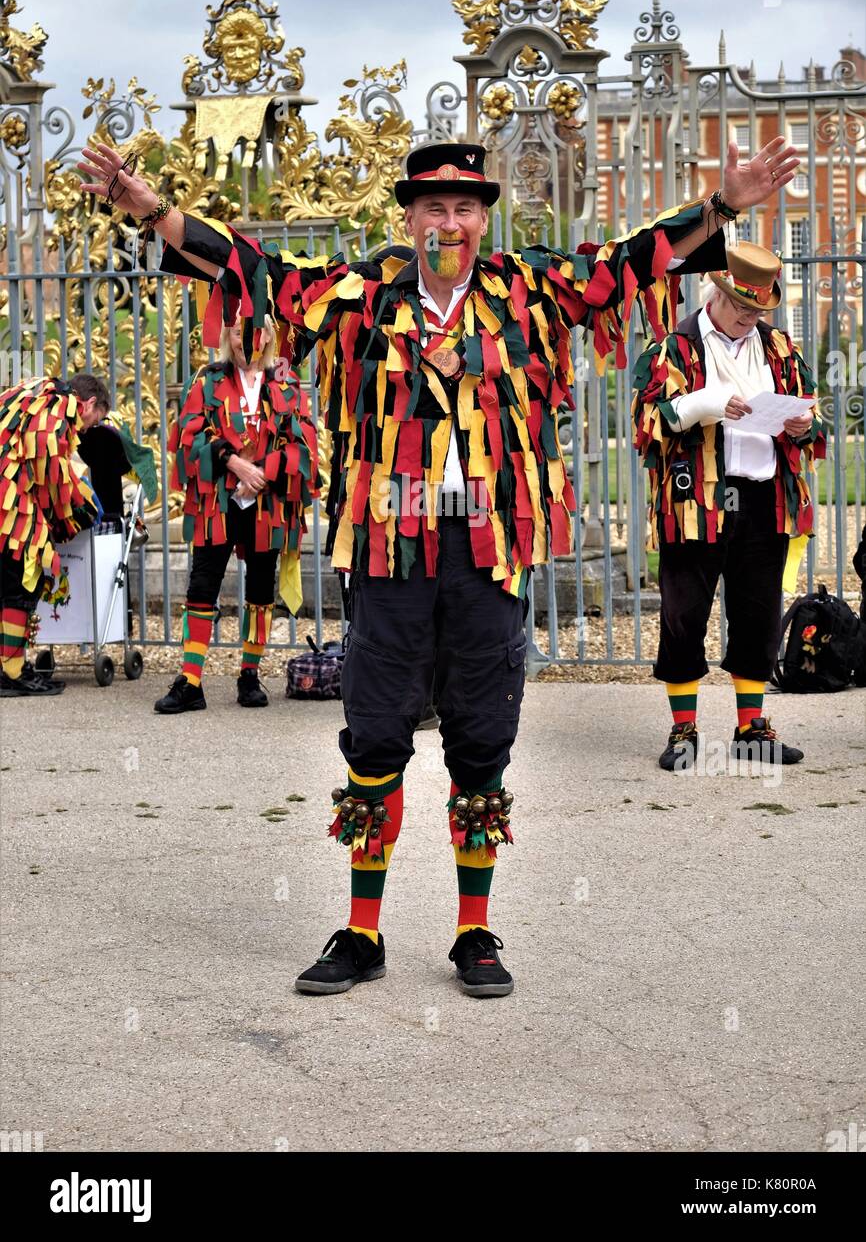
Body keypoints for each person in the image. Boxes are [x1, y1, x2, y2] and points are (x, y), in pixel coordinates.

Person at [79, 132, 799, 996]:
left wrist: (723, 205)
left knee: (482, 738)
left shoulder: (527, 290)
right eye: (432, 208)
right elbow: (251, 268)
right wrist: (149, 210)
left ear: (482, 221)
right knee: (376, 733)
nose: (448, 222)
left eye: (464, 208)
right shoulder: (362, 295)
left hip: (489, 551)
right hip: (387, 548)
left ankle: (475, 932)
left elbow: (628, 265)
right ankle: (361, 931)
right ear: (410, 218)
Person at [632, 242, 825, 771]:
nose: (750, 318)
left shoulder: (780, 348)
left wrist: (807, 426)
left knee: (759, 614)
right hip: (696, 499)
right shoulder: (674, 348)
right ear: (715, 292)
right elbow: (646, 424)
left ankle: (751, 728)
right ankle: (683, 731)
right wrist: (704, 405)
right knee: (683, 615)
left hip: (764, 498)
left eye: (759, 311)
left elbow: (814, 415)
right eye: (742, 307)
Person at [154, 312, 318, 713]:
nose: (247, 338)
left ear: (267, 336)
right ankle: (190, 680)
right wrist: (232, 462)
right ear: (228, 334)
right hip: (218, 498)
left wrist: (263, 472)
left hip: (267, 499)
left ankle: (250, 673)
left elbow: (304, 444)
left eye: (255, 330)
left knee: (262, 584)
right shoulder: (207, 380)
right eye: (238, 330)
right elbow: (189, 438)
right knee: (203, 582)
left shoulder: (287, 381)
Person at [0, 372, 106, 697]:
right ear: (88, 403)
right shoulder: (59, 407)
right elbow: (50, 472)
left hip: (8, 496)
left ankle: (11, 666)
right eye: (93, 421)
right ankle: (12, 671)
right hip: (10, 503)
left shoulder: (35, 391)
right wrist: (76, 509)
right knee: (20, 584)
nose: (87, 429)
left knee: (10, 584)